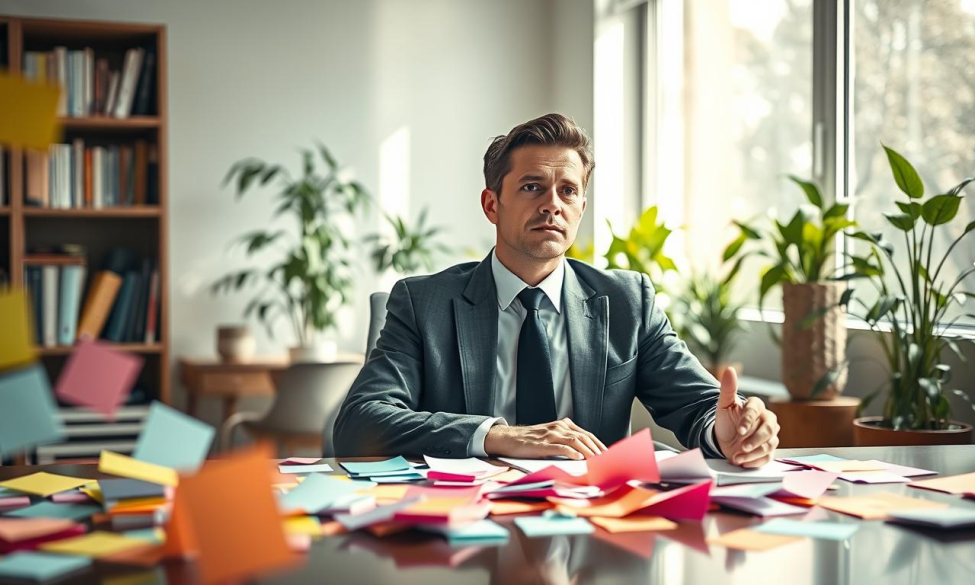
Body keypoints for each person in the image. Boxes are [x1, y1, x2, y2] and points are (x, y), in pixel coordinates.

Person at [333, 113, 779, 467]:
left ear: (581, 207)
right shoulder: (423, 303)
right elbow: (360, 422)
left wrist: (731, 431)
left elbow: (698, 403)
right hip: (464, 525)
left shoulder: (626, 301)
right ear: (492, 204)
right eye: (532, 187)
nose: (552, 204)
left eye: (568, 191)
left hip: (588, 522)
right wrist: (497, 435)